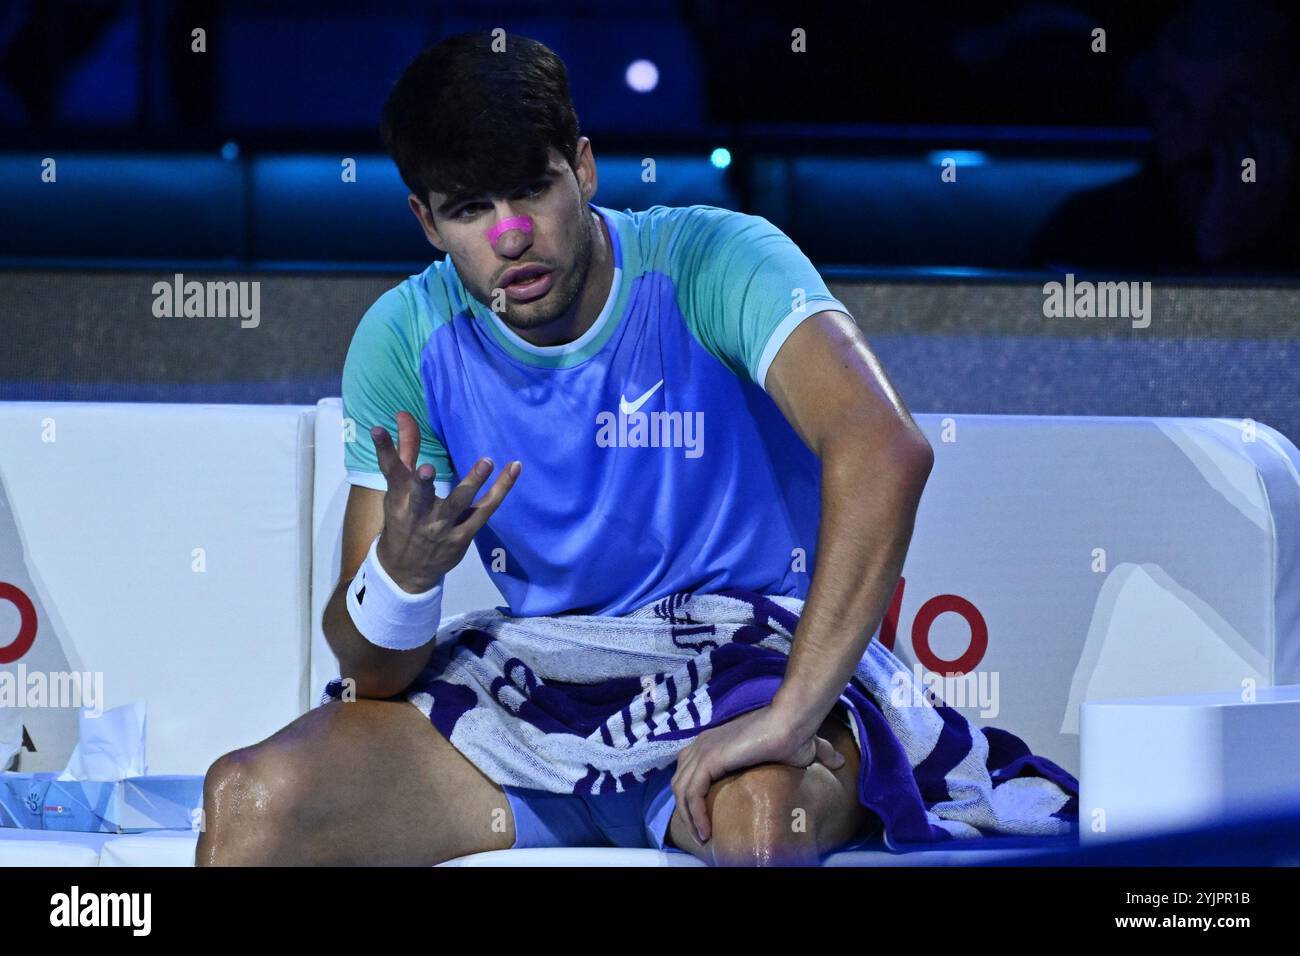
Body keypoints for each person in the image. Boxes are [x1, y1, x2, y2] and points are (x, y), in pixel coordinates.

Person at [196, 30, 933, 866]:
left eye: (529, 191)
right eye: (471, 209)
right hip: (539, 696)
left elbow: (885, 449)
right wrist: (402, 577)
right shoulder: (403, 338)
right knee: (249, 805)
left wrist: (795, 712)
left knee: (764, 824)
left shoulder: (718, 261)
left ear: (582, 168)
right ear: (426, 221)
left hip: (744, 667)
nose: (510, 235)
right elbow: (373, 675)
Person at [1030, 0, 1300, 274]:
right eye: (1176, 105)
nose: (1200, 137)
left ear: (1290, 105)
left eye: (1234, 105)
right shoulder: (1086, 229)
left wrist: (1235, 254)